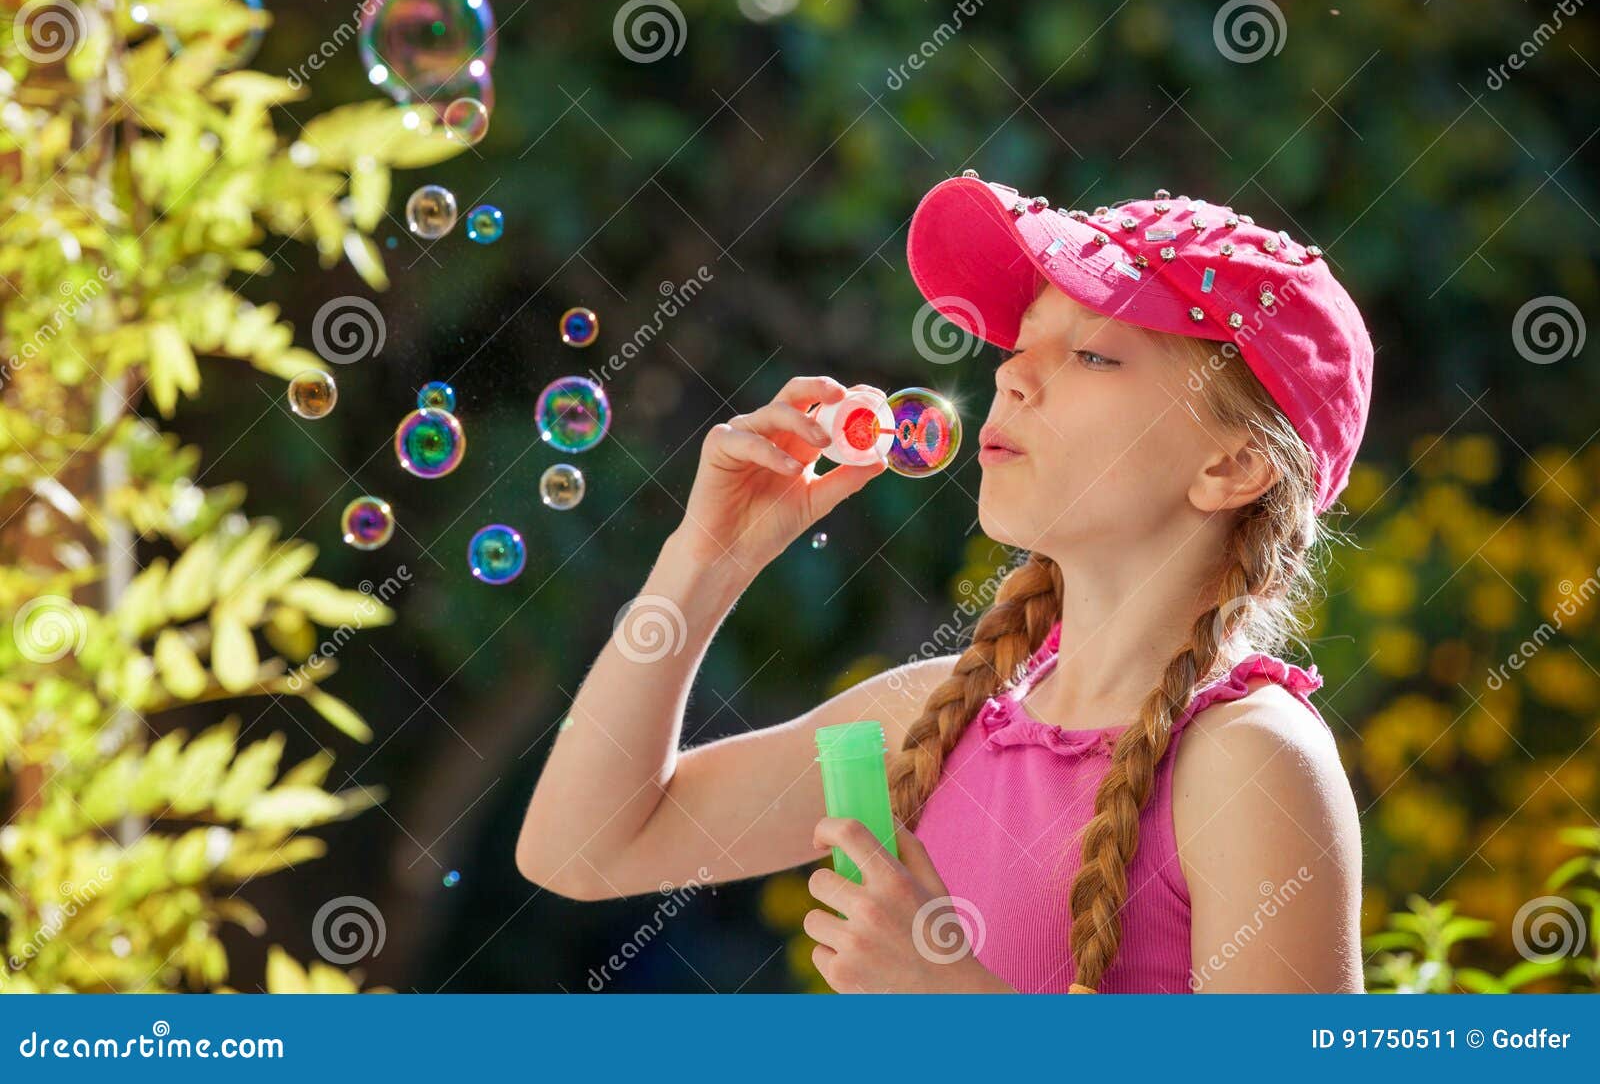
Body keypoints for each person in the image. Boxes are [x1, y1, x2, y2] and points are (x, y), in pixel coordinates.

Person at [516, 172, 1374, 994]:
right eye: (1020, 341)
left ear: (1233, 463)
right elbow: (583, 848)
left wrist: (949, 996)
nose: (1009, 374)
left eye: (1092, 354)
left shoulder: (1250, 762)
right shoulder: (937, 719)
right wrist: (708, 558)